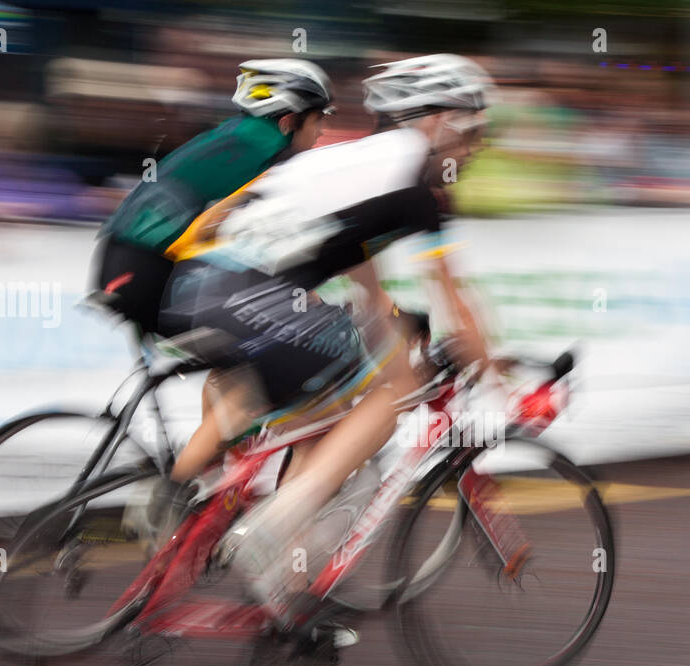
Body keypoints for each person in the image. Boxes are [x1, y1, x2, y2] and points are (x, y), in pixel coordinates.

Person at [156, 54, 497, 632]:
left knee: (343, 402)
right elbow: (454, 300)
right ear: (439, 120)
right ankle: (269, 533)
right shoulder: (415, 182)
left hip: (196, 287)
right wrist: (500, 373)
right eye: (475, 128)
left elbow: (370, 300)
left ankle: (279, 579)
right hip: (239, 292)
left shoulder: (362, 167)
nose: (478, 147)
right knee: (389, 401)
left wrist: (403, 346)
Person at [91, 59, 334, 335]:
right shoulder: (268, 151)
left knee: (265, 346)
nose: (321, 132)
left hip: (124, 269)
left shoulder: (237, 137)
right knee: (294, 339)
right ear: (289, 121)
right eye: (318, 119)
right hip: (149, 277)